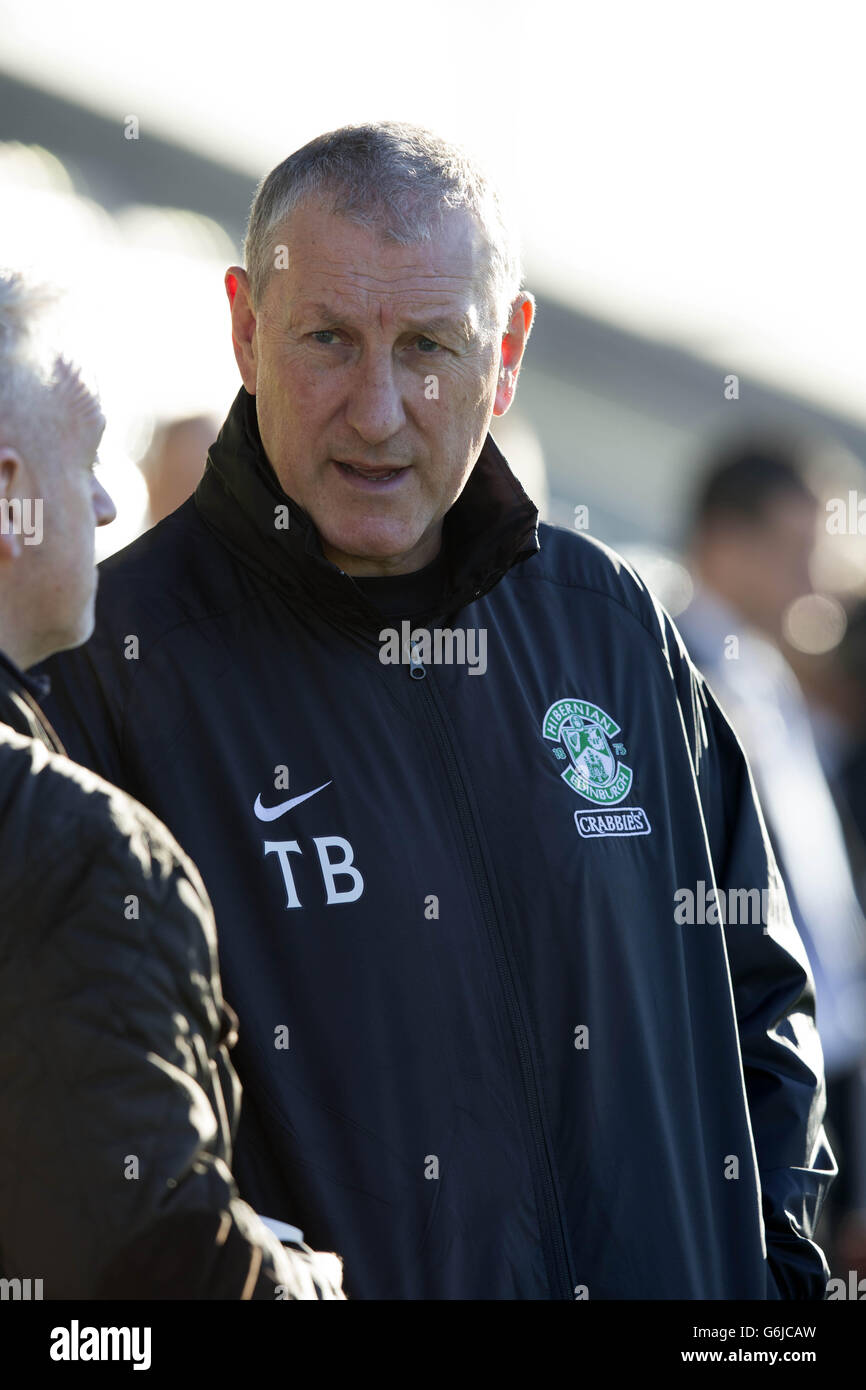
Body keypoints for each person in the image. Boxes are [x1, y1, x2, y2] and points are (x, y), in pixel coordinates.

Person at [41, 123, 835, 1300]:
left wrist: (767, 1286)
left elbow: (760, 998)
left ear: (504, 354)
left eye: (427, 345)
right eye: (326, 340)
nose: (376, 408)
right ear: (244, 331)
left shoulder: (605, 624)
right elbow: (79, 1143)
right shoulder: (108, 673)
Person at [0, 270, 343, 1299]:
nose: (108, 504)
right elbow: (157, 1263)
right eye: (86, 460)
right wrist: (304, 1285)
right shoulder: (75, 850)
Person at [677, 438, 866, 1276]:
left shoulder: (766, 671)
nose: (818, 577)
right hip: (753, 1076)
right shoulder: (669, 663)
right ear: (727, 540)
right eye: (797, 549)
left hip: (826, 1062)